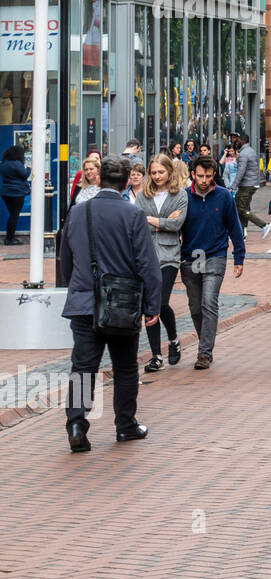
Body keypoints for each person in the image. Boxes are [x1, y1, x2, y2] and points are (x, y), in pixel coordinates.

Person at [60, 156, 161, 453]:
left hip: (83, 302)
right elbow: (147, 264)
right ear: (127, 180)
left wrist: (76, 286)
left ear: (100, 179)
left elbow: (67, 259)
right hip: (122, 303)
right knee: (126, 368)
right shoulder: (132, 215)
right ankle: (125, 426)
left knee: (82, 367)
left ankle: (77, 424)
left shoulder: (78, 213)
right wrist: (152, 305)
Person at [179, 156, 245, 369]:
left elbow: (234, 226)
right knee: (195, 307)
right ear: (192, 175)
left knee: (209, 303)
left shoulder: (224, 196)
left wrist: (239, 257)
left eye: (208, 176)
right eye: (200, 176)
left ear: (214, 174)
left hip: (215, 255)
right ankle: (204, 342)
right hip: (190, 257)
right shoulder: (183, 196)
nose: (204, 180)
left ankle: (204, 353)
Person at [135, 154, 187, 370]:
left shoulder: (180, 195)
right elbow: (136, 223)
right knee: (150, 304)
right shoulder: (142, 196)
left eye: (161, 172)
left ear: (169, 172)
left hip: (168, 256)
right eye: (153, 172)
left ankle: (173, 340)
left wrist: (152, 220)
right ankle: (156, 355)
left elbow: (177, 224)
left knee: (160, 302)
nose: (157, 176)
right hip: (146, 256)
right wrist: (161, 222)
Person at [2, 144, 30, 244]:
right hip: (16, 193)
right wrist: (29, 168)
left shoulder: (4, 163)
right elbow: (25, 175)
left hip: (6, 192)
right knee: (14, 215)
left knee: (12, 215)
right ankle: (10, 239)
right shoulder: (17, 164)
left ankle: (9, 237)